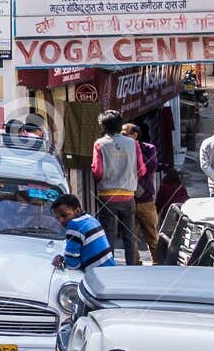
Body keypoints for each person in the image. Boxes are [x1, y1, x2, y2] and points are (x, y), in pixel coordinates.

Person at [91, 112, 146, 265]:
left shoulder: (99, 144)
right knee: (129, 234)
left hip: (107, 196)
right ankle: (131, 265)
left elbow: (97, 171)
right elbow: (142, 170)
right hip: (128, 196)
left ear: (103, 126)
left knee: (108, 233)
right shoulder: (133, 143)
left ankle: (110, 265)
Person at [124, 122, 161, 260]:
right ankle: (135, 263)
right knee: (130, 235)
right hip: (128, 198)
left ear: (134, 135)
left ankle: (158, 262)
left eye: (124, 135)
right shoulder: (120, 150)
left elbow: (149, 167)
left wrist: (136, 149)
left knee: (151, 234)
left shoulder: (149, 148)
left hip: (145, 200)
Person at [50, 194, 117, 272]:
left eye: (64, 215)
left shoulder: (74, 225)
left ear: (77, 211)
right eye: (58, 218)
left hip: (99, 276)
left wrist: (63, 261)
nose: (61, 220)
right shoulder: (91, 219)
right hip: (111, 271)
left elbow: (72, 264)